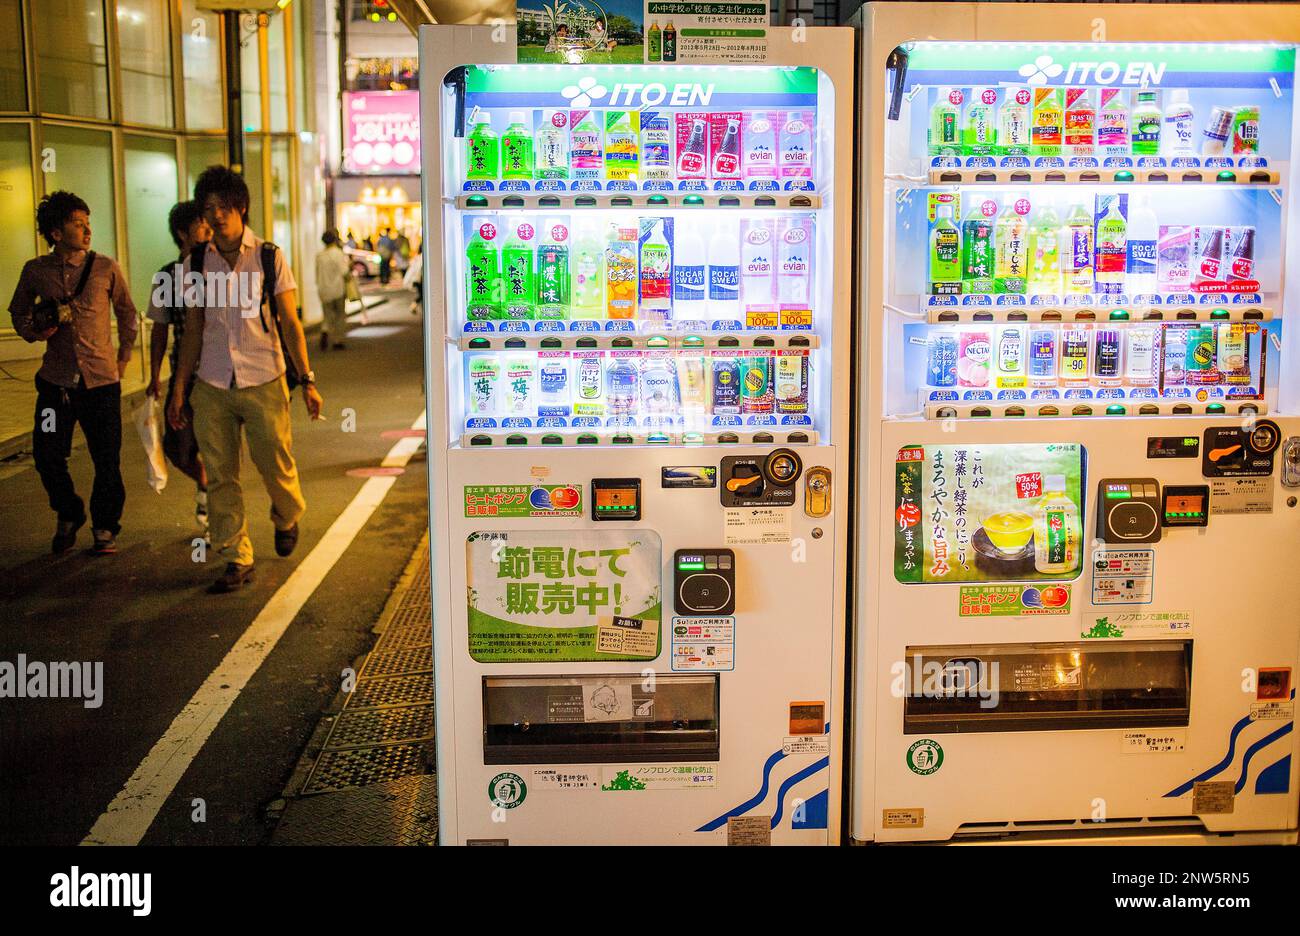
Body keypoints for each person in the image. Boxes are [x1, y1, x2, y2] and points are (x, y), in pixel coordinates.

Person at [167, 166, 324, 594]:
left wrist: (307, 380)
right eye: (208, 209)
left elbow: (290, 323)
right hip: (212, 383)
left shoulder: (269, 256)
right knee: (220, 475)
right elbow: (193, 329)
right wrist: (179, 389)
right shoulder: (195, 263)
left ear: (241, 208)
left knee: (276, 463)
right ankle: (236, 556)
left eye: (223, 207)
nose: (215, 216)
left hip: (264, 377)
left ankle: (286, 513)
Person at [9, 192, 137, 556]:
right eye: (77, 223)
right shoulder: (35, 271)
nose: (86, 229)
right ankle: (69, 511)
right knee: (47, 453)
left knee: (106, 459)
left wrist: (124, 359)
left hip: (101, 383)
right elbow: (18, 312)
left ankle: (105, 527)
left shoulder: (105, 267)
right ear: (55, 231)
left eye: (87, 221)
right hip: (56, 385)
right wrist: (36, 331)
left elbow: (128, 314)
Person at [147, 200, 212, 533]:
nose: (208, 230)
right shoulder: (166, 277)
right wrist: (155, 375)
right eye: (202, 224)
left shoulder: (217, 270)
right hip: (183, 378)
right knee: (177, 447)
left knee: (216, 445)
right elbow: (160, 329)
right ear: (182, 232)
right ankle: (204, 484)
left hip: (218, 376)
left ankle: (219, 510)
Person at [314, 229, 353, 351]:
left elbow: (317, 273)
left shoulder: (320, 255)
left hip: (323, 289)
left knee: (327, 314)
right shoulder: (337, 253)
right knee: (340, 315)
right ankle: (338, 340)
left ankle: (325, 330)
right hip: (337, 289)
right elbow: (344, 272)